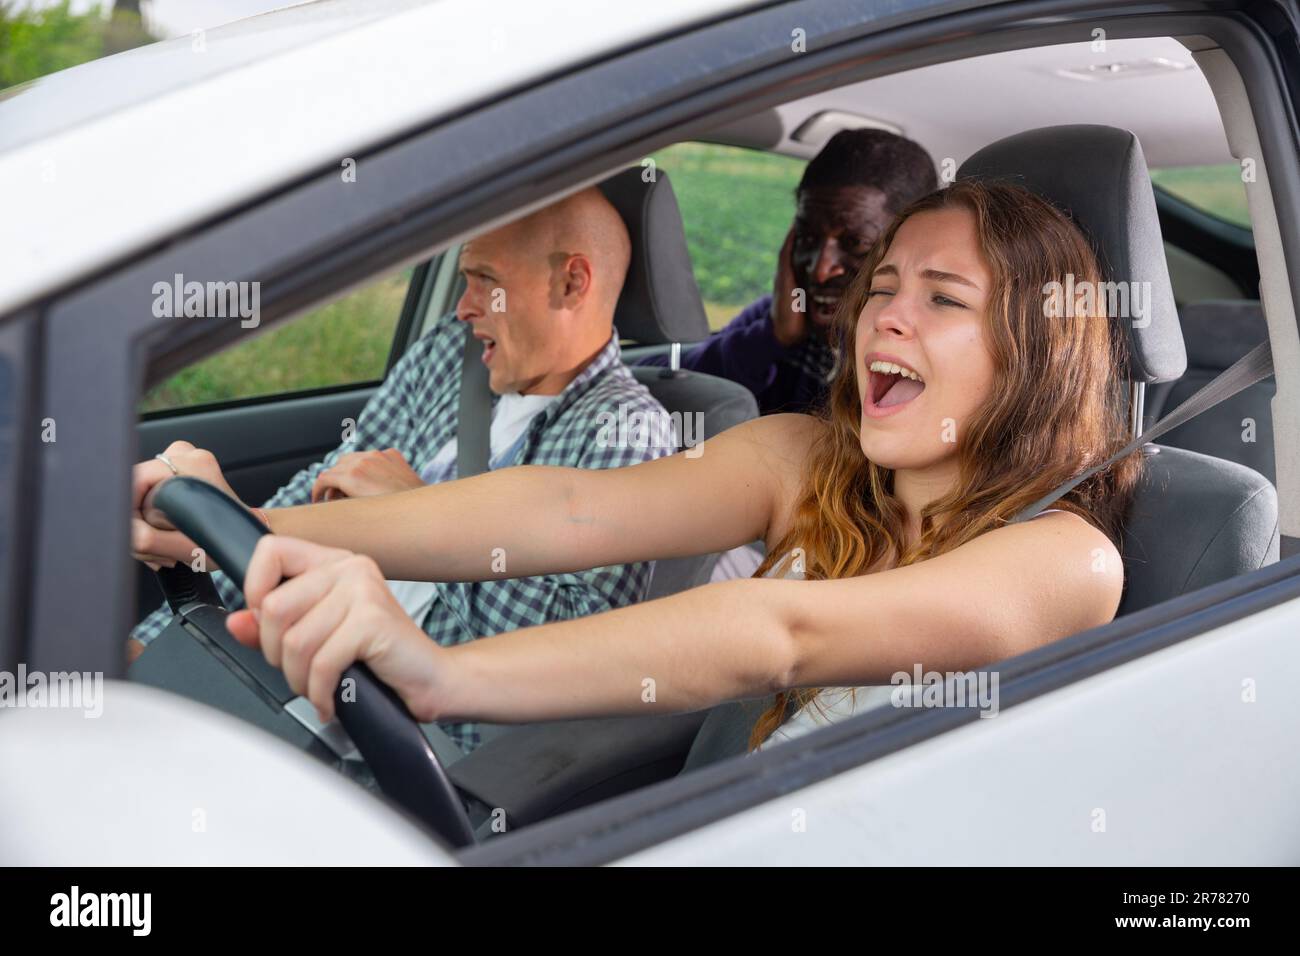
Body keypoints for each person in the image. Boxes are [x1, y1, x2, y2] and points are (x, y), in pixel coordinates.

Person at [131, 180, 1143, 752]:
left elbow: (779, 632)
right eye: (884, 285)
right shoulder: (804, 459)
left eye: (942, 298)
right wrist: (243, 518)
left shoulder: (1064, 560)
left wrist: (441, 674)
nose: (884, 310)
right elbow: (568, 506)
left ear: (1034, 349)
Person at [130, 186, 673, 753]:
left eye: (486, 280)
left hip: (416, 745)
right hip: (291, 673)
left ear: (571, 283)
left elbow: (575, 660)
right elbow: (307, 500)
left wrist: (417, 510)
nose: (464, 306)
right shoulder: (450, 354)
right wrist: (164, 637)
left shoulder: (627, 433)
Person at [639, 128, 937, 416]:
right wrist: (771, 338)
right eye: (807, 238)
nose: (820, 270)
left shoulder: (921, 354)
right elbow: (663, 383)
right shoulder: (785, 315)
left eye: (855, 242)